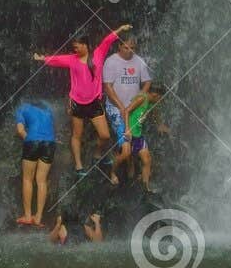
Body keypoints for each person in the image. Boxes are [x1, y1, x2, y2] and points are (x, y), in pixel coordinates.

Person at [34, 22, 131, 172]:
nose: (75, 49)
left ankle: (98, 154)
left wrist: (121, 29)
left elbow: (108, 40)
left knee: (105, 136)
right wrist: (42, 59)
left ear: (85, 45)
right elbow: (56, 60)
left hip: (93, 103)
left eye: (77, 46)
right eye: (74, 46)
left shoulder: (98, 54)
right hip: (77, 103)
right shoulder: (72, 59)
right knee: (77, 134)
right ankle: (79, 166)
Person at [103, 33, 152, 176]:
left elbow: (147, 82)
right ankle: (111, 172)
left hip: (132, 108)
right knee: (126, 149)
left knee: (133, 142)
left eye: (132, 48)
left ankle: (132, 169)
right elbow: (108, 87)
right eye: (126, 47)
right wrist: (121, 106)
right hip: (116, 108)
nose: (129, 51)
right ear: (119, 46)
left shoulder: (139, 61)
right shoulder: (111, 62)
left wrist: (139, 98)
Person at [15, 98, 55, 227]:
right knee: (41, 180)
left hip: (33, 142)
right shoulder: (48, 107)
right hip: (50, 143)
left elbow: (20, 130)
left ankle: (27, 216)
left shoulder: (22, 108)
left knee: (27, 179)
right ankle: (38, 217)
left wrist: (30, 140)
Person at [126, 86, 166, 191]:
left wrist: (160, 124)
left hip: (138, 135)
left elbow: (155, 112)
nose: (160, 101)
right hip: (131, 134)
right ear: (155, 95)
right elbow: (127, 111)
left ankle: (146, 188)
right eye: (160, 98)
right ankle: (127, 182)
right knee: (130, 165)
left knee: (147, 159)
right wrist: (127, 129)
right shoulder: (142, 99)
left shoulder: (151, 102)